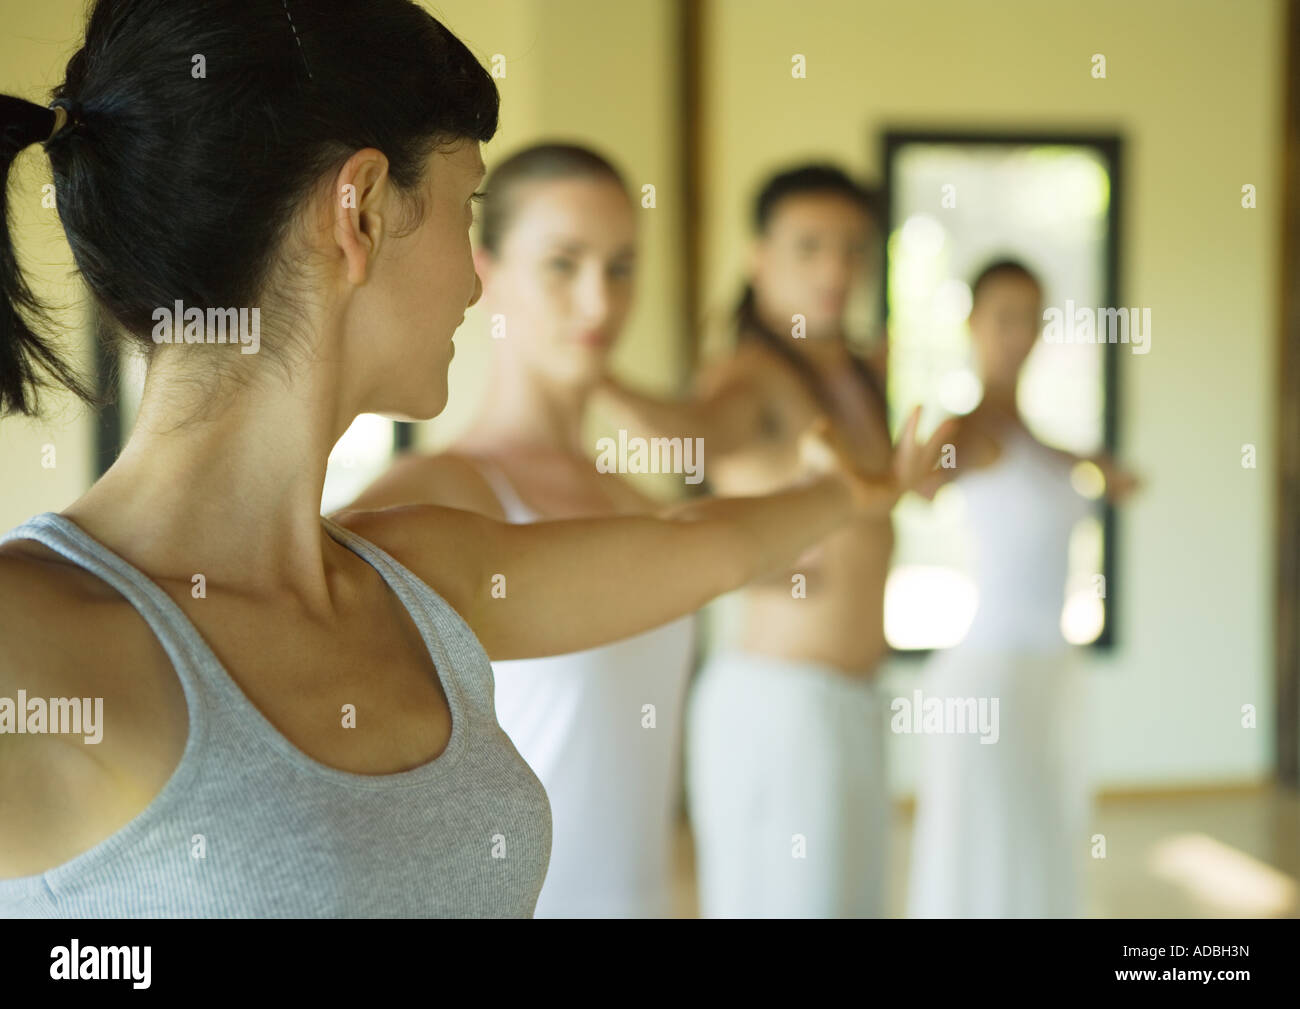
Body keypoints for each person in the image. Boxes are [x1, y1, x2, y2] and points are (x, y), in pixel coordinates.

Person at [0, 1, 948, 918]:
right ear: (361, 212)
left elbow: (710, 543)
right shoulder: (29, 638)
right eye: (468, 209)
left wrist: (852, 491)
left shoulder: (424, 578)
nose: (471, 281)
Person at [348, 143, 699, 917]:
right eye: (563, 264)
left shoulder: (641, 502)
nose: (599, 302)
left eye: (621, 266)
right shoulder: (429, 499)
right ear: (486, 272)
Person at [593, 164, 940, 916]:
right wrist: (595, 372)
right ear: (759, 258)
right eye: (809, 246)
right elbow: (690, 436)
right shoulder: (753, 376)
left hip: (854, 699)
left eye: (852, 247)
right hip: (783, 707)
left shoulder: (856, 369)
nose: (835, 269)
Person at [905, 258, 1139, 918]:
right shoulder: (967, 430)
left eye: (1031, 318)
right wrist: (914, 468)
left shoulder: (1032, 437)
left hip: (1045, 672)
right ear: (972, 324)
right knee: (984, 857)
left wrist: (1097, 465)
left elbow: (1074, 468)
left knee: (1037, 846)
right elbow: (923, 483)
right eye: (1003, 318)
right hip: (991, 677)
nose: (1018, 334)